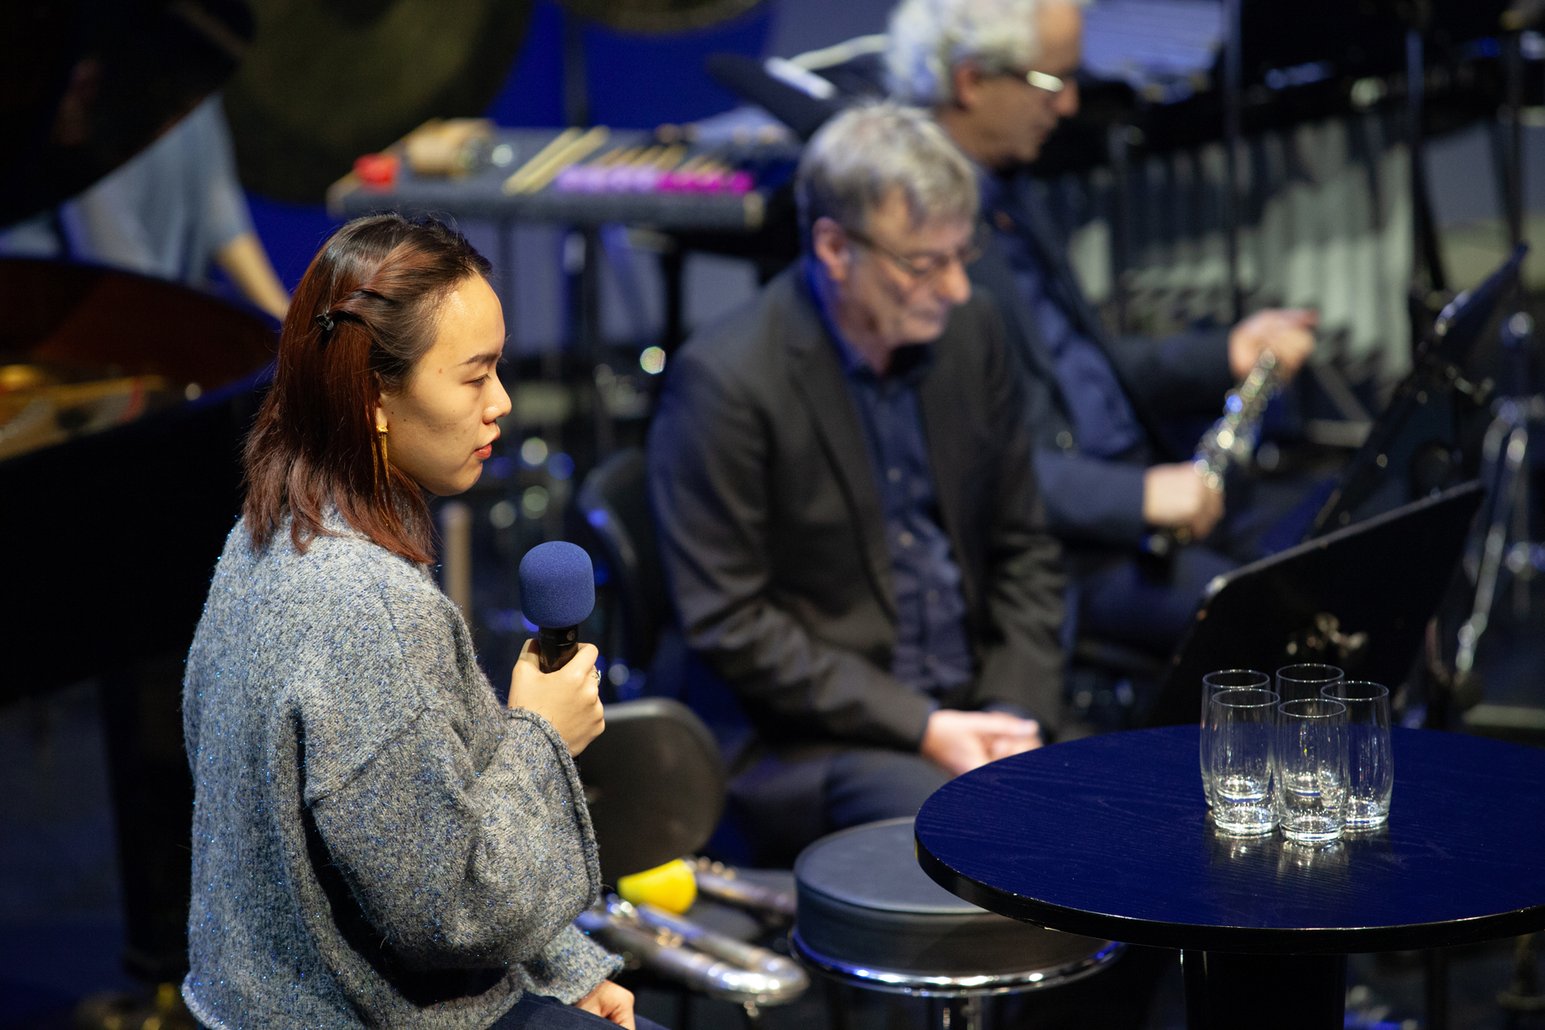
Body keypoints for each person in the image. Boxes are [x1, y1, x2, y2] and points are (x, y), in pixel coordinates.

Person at [180, 213, 657, 1029]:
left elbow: (408, 835)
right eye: (474, 378)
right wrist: (541, 737)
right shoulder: (368, 610)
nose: (501, 404)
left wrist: (566, 968)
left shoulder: (263, 539)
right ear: (373, 395)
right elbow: (455, 908)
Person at [647, 102, 1065, 867]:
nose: (955, 288)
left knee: (1121, 828)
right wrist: (924, 725)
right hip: (809, 739)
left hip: (971, 700)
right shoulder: (728, 380)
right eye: (922, 263)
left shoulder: (972, 335)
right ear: (834, 248)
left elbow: (1024, 546)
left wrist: (1010, 712)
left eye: (959, 254)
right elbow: (730, 621)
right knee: (973, 844)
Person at [886, 0, 1319, 658]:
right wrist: (1136, 497)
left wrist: (1223, 354)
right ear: (971, 82)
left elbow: (1079, 368)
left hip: (1136, 492)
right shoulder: (919, 242)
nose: (1067, 105)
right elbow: (964, 463)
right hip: (1062, 549)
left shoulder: (1004, 190)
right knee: (1279, 625)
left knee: (1347, 534)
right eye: (1050, 81)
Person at [0, 93, 290, 320]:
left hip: (160, 311)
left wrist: (289, 323)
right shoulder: (92, 89)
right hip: (81, 322)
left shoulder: (195, 80)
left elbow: (225, 221)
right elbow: (111, 254)